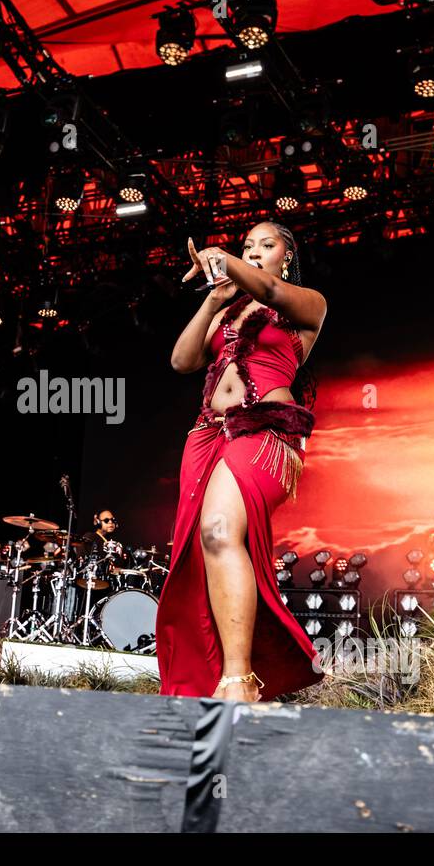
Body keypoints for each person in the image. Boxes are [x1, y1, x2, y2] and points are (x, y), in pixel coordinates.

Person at [156, 221, 326, 702]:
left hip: (265, 430)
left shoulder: (306, 303)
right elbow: (181, 362)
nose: (253, 253)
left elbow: (269, 289)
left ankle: (239, 679)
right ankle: (221, 674)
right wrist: (213, 296)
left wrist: (222, 257)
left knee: (217, 531)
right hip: (209, 436)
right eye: (246, 246)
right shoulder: (224, 311)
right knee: (202, 547)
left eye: (264, 246)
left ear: (286, 256)